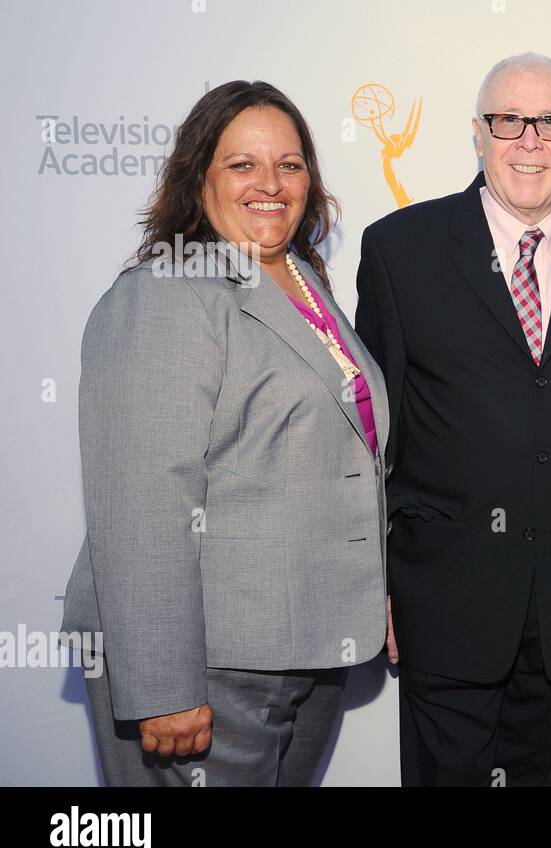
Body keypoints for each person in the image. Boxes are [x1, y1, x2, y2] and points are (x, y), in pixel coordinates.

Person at [61, 80, 390, 786]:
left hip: (303, 649)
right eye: (243, 164)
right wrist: (162, 687)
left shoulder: (305, 286)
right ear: (198, 176)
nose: (270, 184)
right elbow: (144, 501)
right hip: (206, 665)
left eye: (291, 164)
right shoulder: (166, 295)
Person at [355, 52, 551, 786]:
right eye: (508, 120)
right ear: (478, 135)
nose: (530, 140)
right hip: (441, 597)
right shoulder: (400, 250)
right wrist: (371, 577)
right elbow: (368, 438)